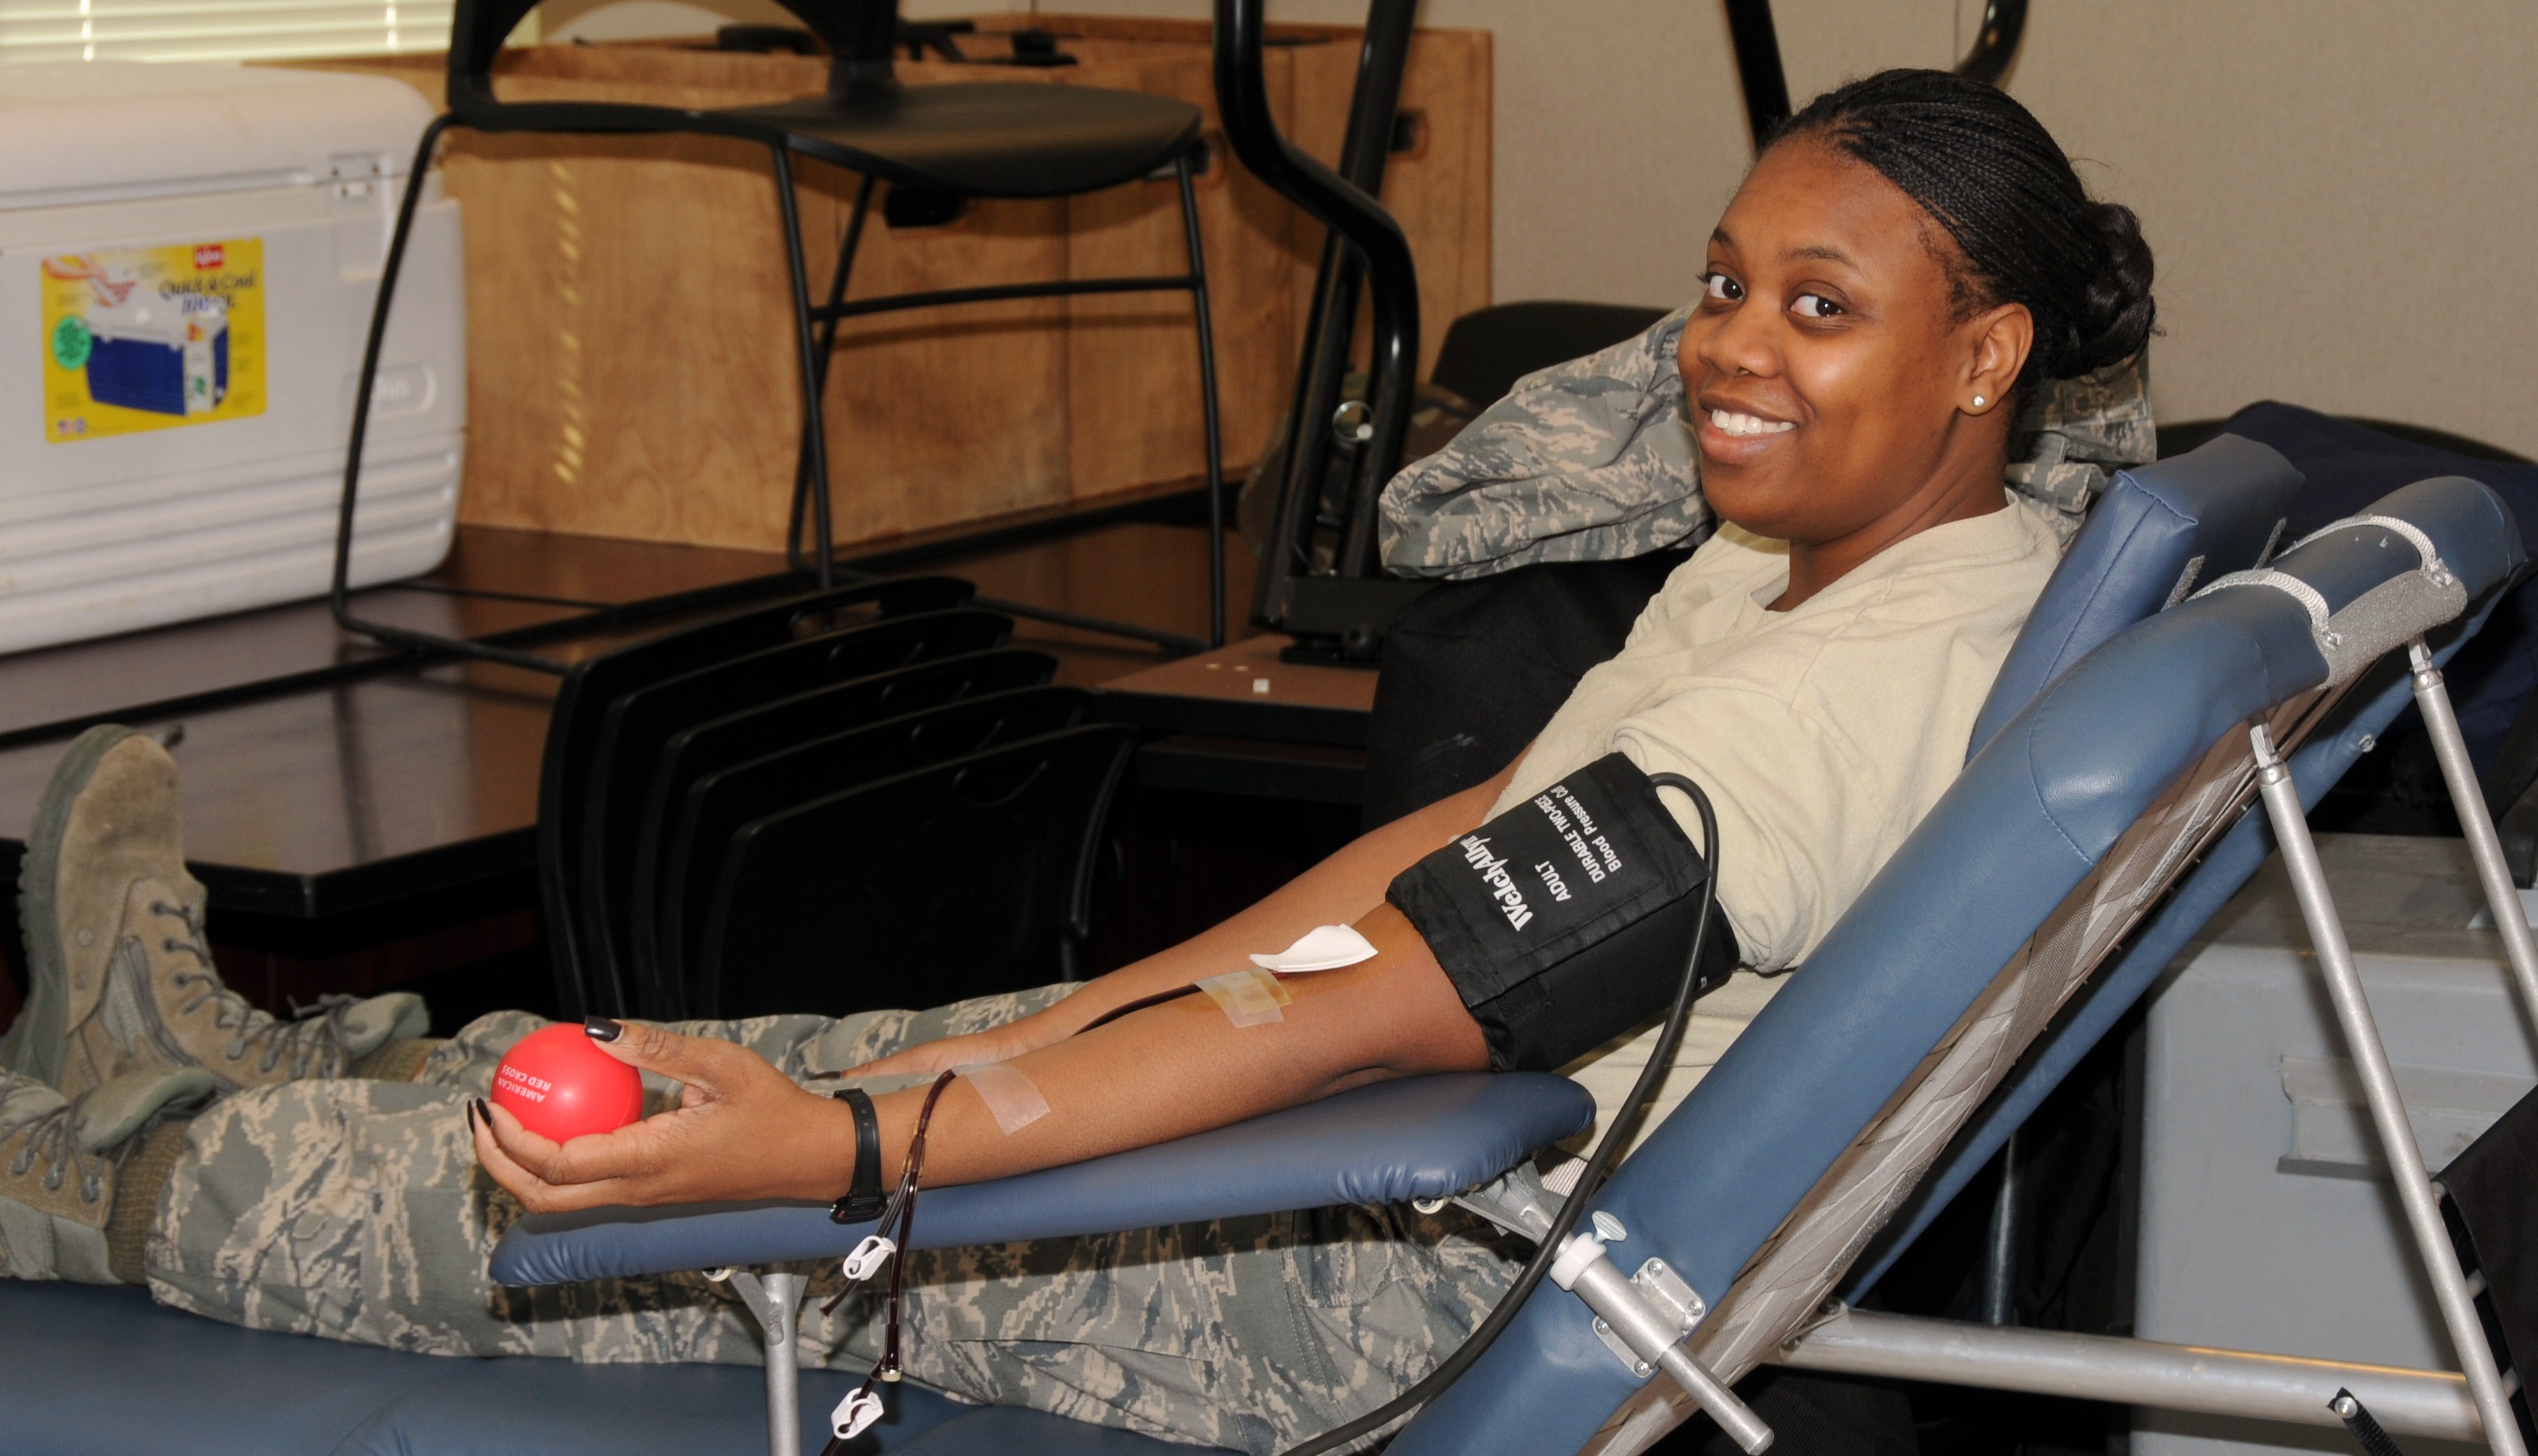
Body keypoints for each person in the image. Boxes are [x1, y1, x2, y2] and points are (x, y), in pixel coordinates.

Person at [0, 69, 2153, 1455]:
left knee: (640, 1196)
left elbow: (1361, 1027)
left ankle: (123, 1173)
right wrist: (1061, 1023)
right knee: (797, 1039)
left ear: (1986, 356)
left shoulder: (1841, 703)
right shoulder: (1848, 556)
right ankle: (241, 1057)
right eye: (1720, 281)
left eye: (1817, 307)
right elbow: (1446, 858)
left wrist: (853, 1161)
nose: (1719, 348)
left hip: (1385, 1266)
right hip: (1408, 1103)